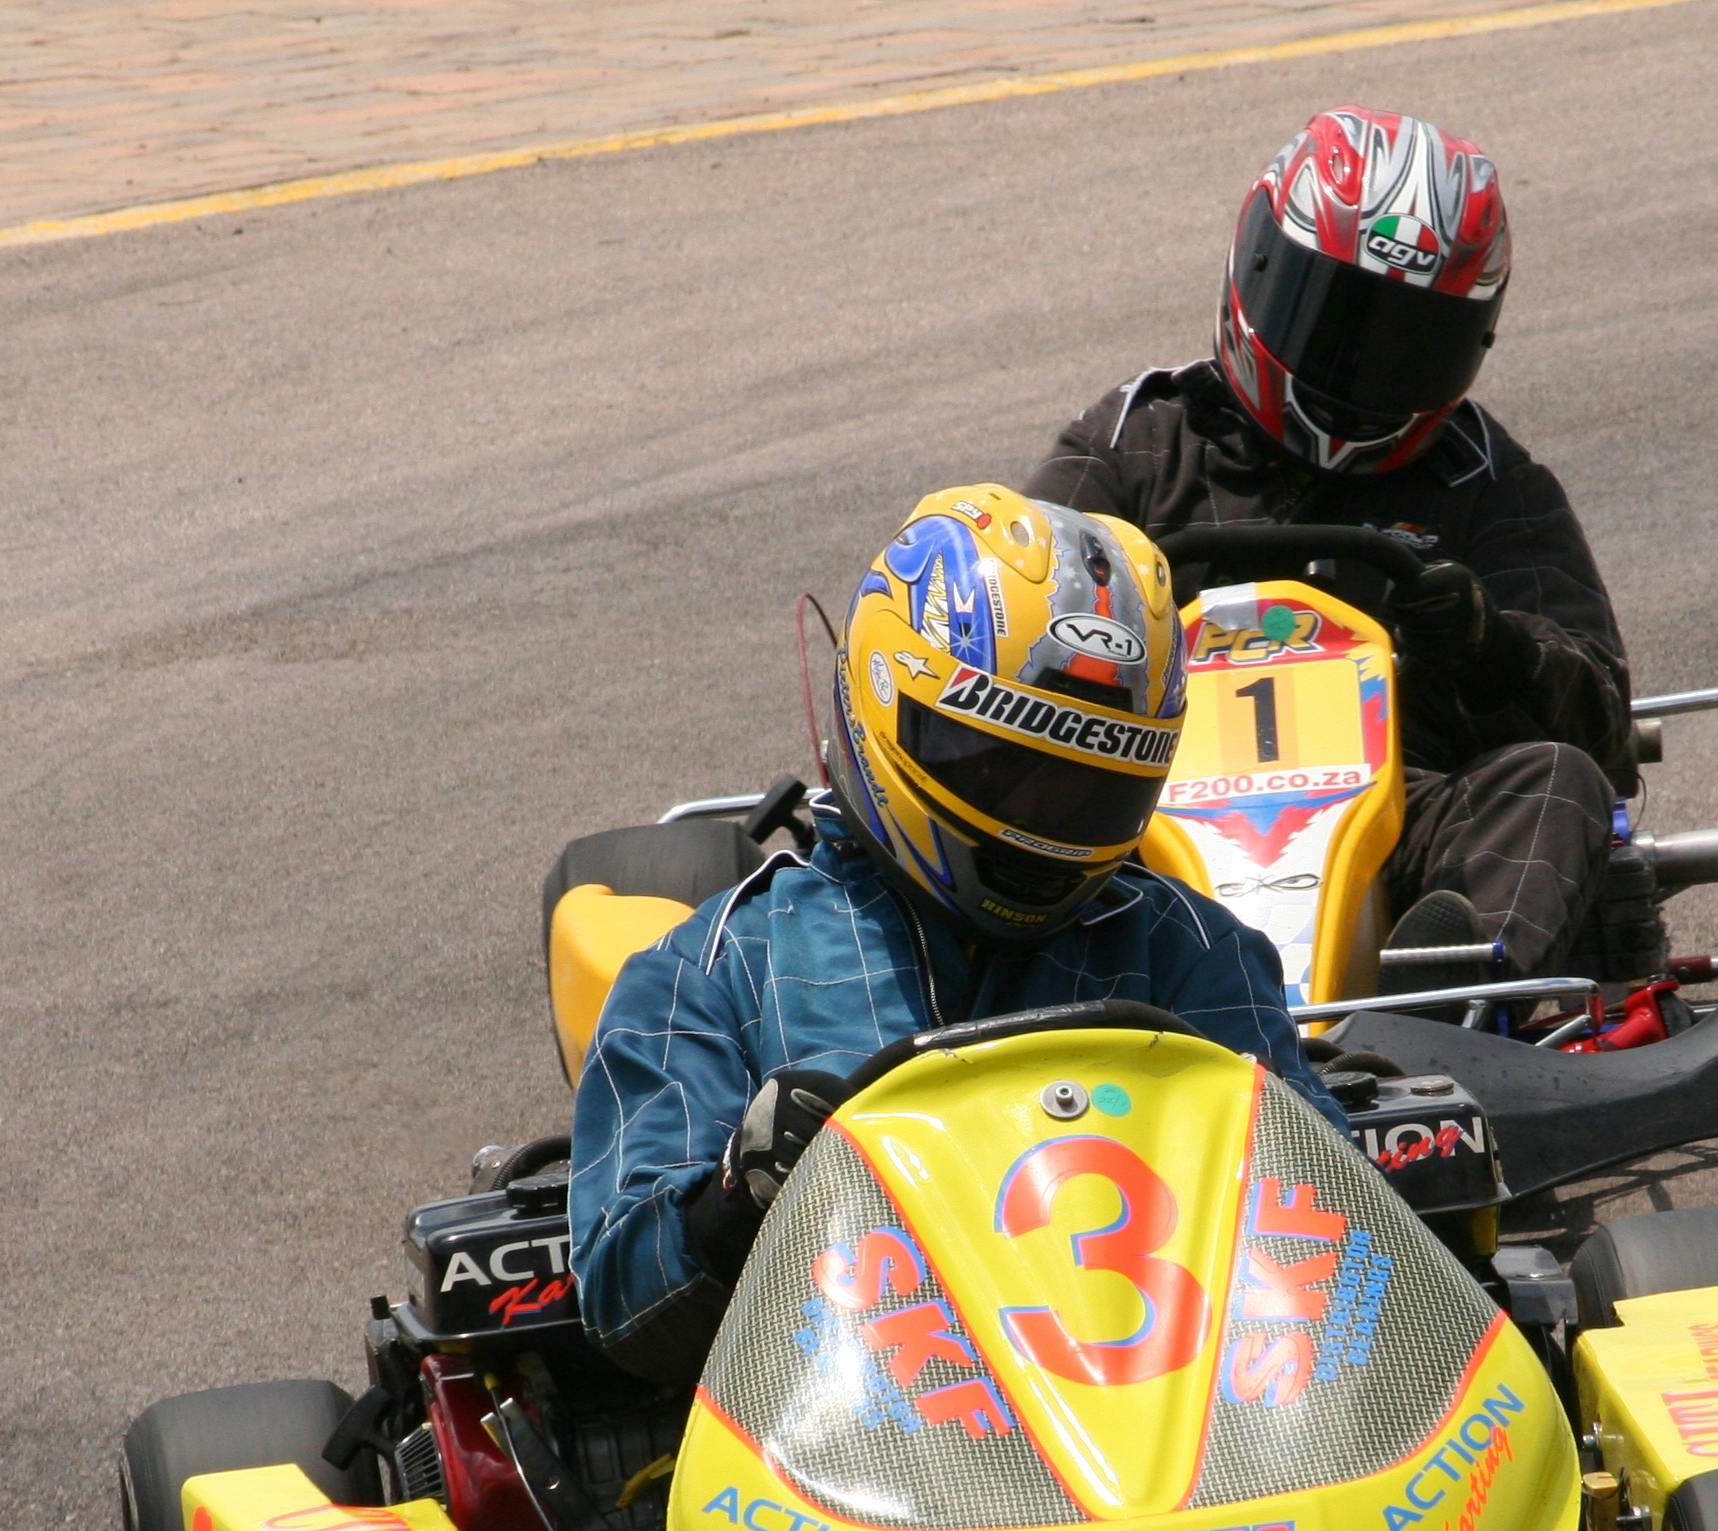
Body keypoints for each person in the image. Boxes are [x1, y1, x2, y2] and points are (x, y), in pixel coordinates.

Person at [568, 484, 1352, 1388]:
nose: (1046, 816)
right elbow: (624, 1305)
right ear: (887, 702)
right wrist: (736, 1205)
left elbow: (1326, 1230)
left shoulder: (1187, 951)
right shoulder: (712, 975)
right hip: (857, 1470)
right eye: (1009, 769)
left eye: (1088, 783)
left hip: (1173, 1434)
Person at [1027, 105, 1636, 983]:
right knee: (1030, 815)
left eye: (1410, 344)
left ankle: (1448, 1011)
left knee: (1556, 783)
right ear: (1261, 267)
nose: (1364, 373)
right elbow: (1005, 604)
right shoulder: (1140, 444)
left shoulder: (1485, 481)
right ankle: (1069, 1000)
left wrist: (1486, 646)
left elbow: (1605, 729)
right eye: (1338, 321)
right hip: (1146, 820)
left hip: (1395, 820)